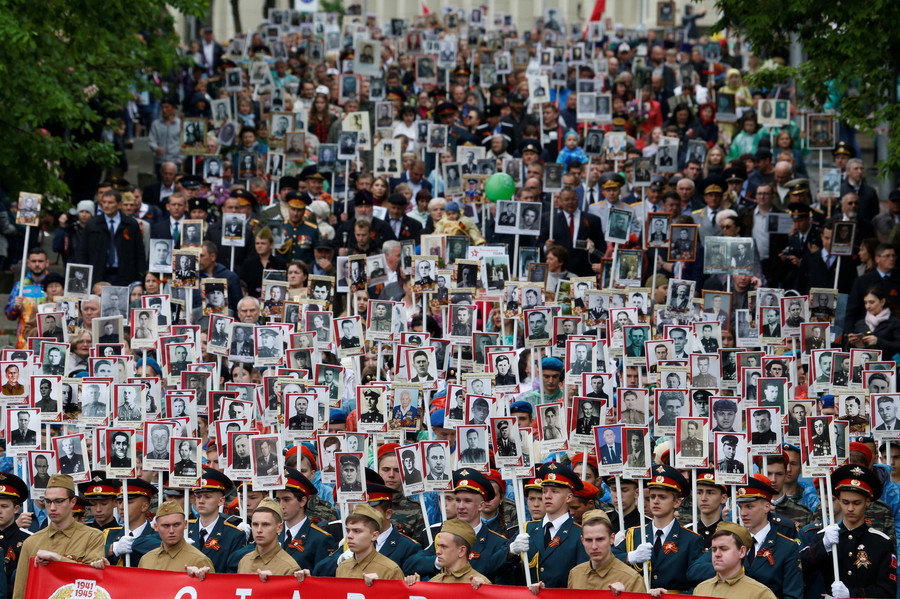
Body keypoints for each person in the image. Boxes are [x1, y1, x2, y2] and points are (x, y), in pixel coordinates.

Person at [800, 464, 896, 599]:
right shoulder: (825, 536)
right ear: (838, 499)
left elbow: (888, 592)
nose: (850, 508)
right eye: (845, 502)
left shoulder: (881, 542)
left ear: (868, 501)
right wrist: (822, 546)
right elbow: (797, 569)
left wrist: (853, 594)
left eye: (857, 503)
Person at [615, 465, 706, 592]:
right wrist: (630, 557)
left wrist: (670, 595)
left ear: (677, 502)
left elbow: (699, 583)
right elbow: (607, 559)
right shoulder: (634, 534)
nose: (655, 501)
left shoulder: (691, 540)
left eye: (662, 497)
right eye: (652, 497)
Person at [13, 474, 105, 599]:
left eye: (59, 501)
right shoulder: (31, 542)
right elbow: (20, 592)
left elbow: (94, 579)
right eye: (48, 501)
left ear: (73, 502)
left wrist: (58, 559)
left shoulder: (93, 536)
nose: (52, 507)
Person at [509, 463, 587, 587]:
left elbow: (584, 580)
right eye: (544, 491)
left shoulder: (580, 534)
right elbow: (495, 565)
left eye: (554, 492)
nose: (547, 496)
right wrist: (511, 551)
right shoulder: (527, 529)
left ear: (569, 497)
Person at [692, 522, 777, 599]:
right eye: (714, 549)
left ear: (742, 551)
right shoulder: (700, 589)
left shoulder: (760, 594)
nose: (717, 554)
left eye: (724, 549)